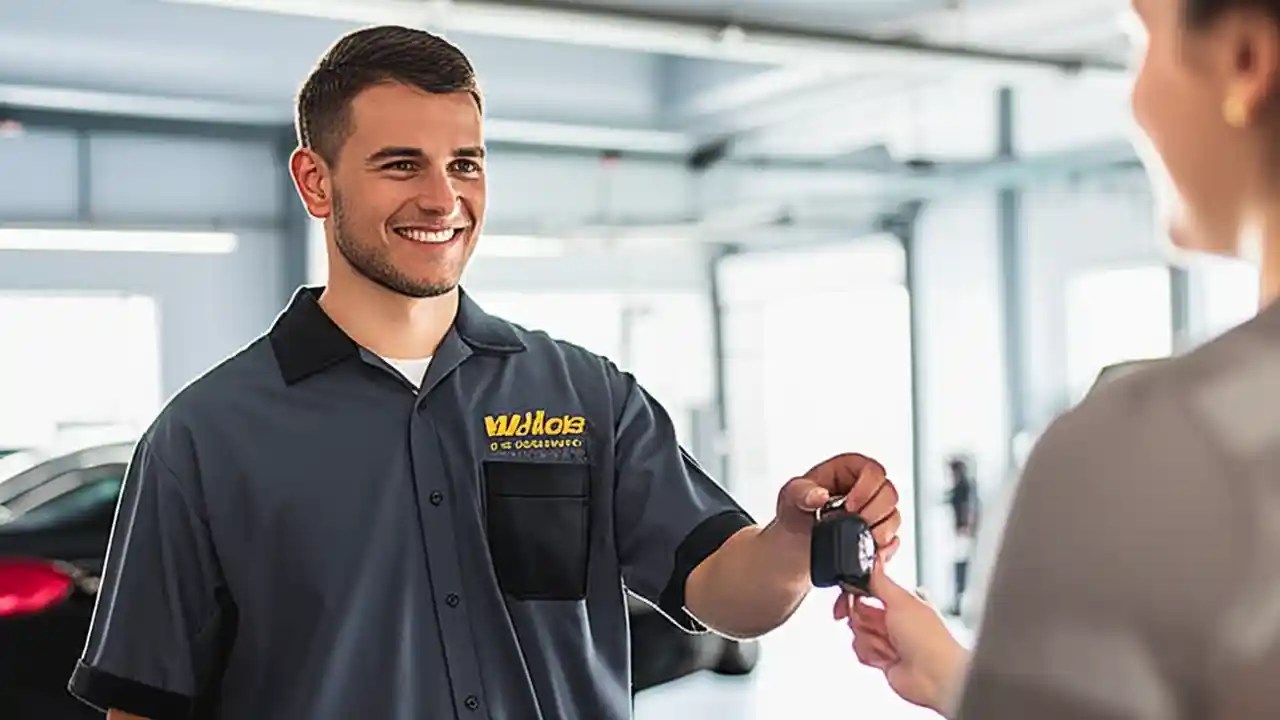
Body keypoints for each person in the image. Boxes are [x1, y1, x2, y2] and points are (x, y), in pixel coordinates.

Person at [64, 25, 902, 720]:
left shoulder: (586, 397)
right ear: (316, 182)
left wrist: (793, 538)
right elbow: (142, 705)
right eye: (401, 165)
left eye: (464, 163)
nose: (443, 199)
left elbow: (730, 594)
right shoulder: (204, 438)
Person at [839, 0, 1280, 717]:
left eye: (1142, 41)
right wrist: (965, 681)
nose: (1134, 100)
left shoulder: (1145, 453)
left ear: (1245, 61)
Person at [942, 456, 979, 616]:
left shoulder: (964, 487)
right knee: (959, 568)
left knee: (961, 568)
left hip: (964, 534)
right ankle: (958, 602)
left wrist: (966, 527)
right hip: (963, 533)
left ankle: (959, 603)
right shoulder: (963, 487)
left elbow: (968, 508)